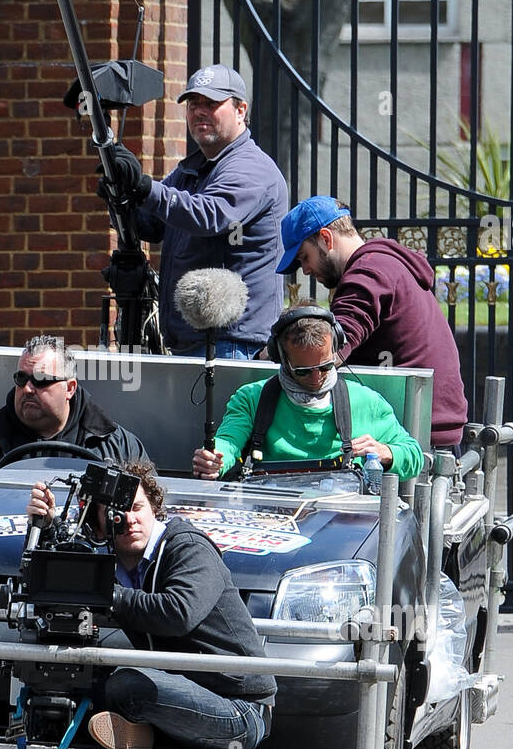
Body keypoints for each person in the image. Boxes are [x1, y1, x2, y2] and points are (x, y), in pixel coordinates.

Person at [26, 461, 276, 749]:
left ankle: (146, 736)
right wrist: (47, 525)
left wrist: (105, 594)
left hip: (239, 709)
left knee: (126, 685)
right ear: (99, 524)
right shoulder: (112, 561)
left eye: (137, 507)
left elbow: (179, 613)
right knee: (71, 681)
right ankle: (133, 731)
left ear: (154, 508)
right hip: (182, 689)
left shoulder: (188, 546)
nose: (129, 519)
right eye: (116, 513)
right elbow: (51, 584)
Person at [109, 64, 288, 358]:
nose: (200, 111)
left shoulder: (250, 167)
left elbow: (209, 215)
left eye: (212, 103)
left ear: (241, 110)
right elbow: (151, 225)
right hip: (195, 340)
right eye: (193, 104)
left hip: (231, 343)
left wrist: (142, 187)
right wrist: (119, 196)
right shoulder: (194, 169)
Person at [275, 196, 469, 452]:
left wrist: (274, 350)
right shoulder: (385, 263)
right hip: (432, 425)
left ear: (326, 238)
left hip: (413, 435)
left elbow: (329, 348)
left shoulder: (368, 274)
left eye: (304, 257)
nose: (306, 270)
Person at [192, 310, 424, 481]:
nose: (316, 379)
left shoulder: (366, 401)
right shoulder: (252, 398)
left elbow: (414, 455)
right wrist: (215, 460)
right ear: (281, 358)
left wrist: (388, 453)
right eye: (303, 371)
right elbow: (228, 443)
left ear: (336, 350)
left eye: (325, 367)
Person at [0, 335, 146, 468]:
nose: (28, 389)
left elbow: (148, 507)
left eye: (41, 380)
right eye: (21, 379)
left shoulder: (118, 447)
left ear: (69, 388)